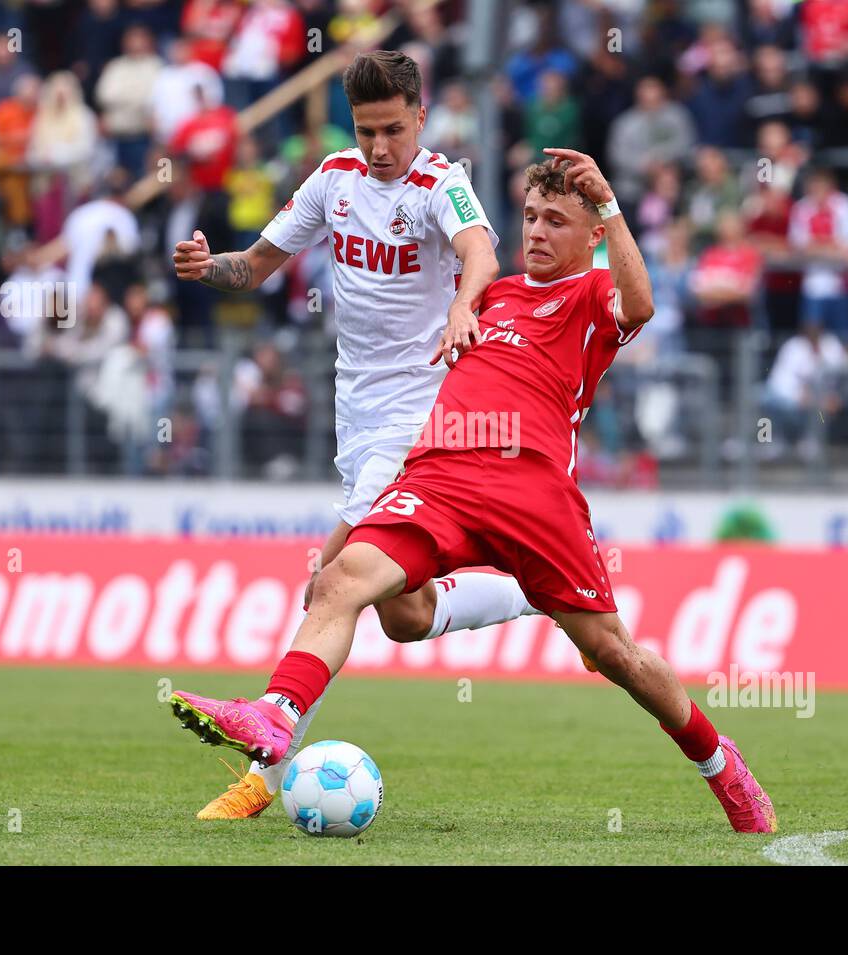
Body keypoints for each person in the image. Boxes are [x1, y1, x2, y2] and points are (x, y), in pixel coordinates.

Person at [168, 151, 778, 835]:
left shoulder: (589, 300)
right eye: (530, 217)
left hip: (533, 494)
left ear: (592, 234)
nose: (537, 232)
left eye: (556, 220)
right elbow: (428, 249)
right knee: (346, 586)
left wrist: (609, 200)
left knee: (617, 655)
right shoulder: (490, 293)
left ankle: (720, 763)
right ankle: (275, 715)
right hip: (441, 477)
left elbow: (641, 304)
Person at [171, 51, 546, 820]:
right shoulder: (334, 179)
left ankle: (260, 774)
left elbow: (482, 250)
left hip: (423, 418)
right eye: (367, 130)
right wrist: (210, 267)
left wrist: (463, 307)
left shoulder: (442, 182)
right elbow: (260, 264)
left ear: (420, 115)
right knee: (401, 616)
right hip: (360, 419)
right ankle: (531, 590)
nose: (380, 146)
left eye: (393, 129)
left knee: (326, 583)